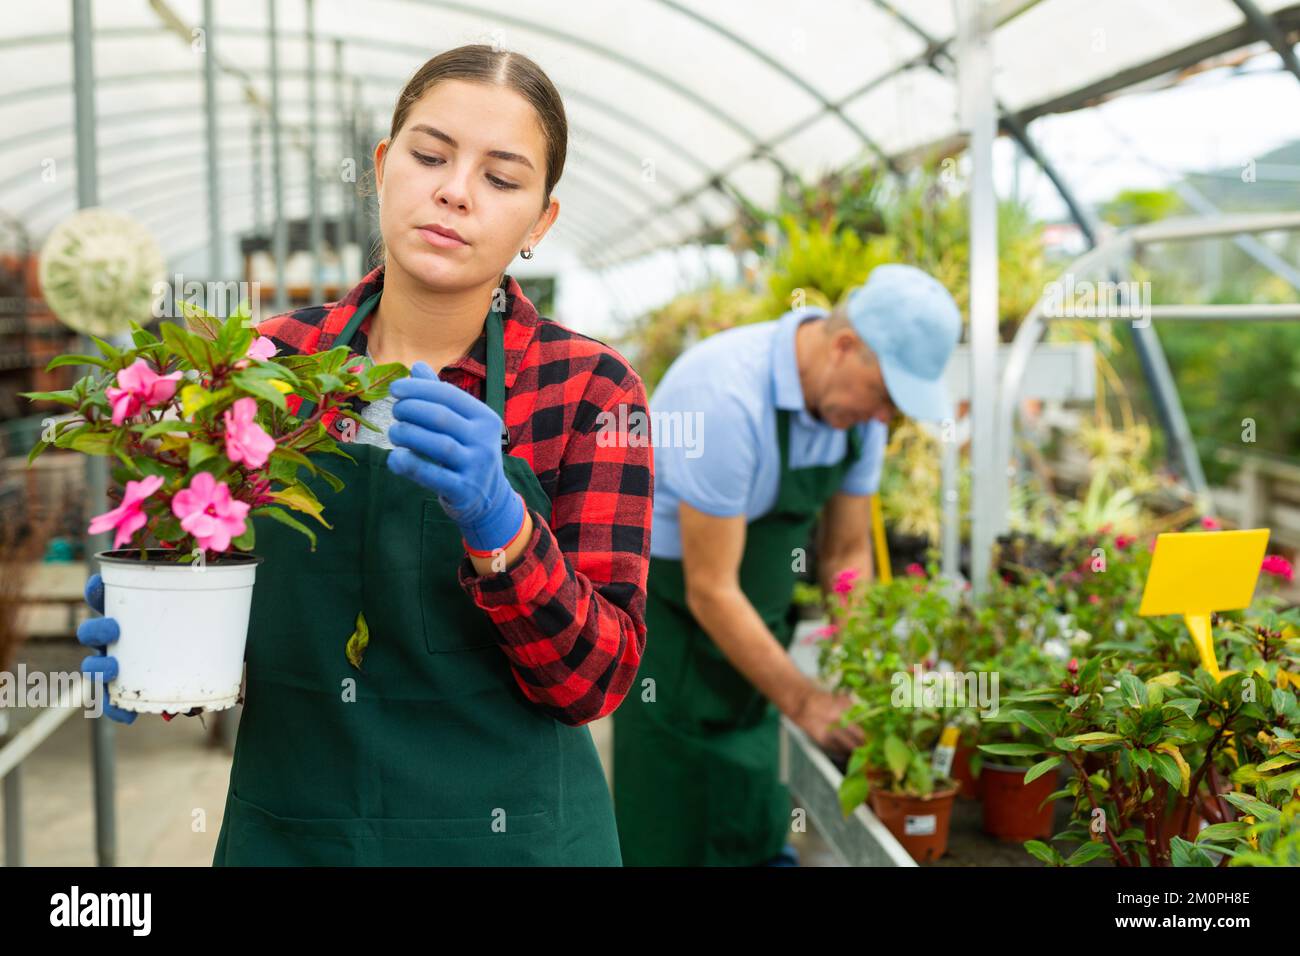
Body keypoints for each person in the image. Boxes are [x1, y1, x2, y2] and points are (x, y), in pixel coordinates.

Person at [77, 43, 653, 866]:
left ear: (541, 220)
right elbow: (236, 630)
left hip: (514, 843)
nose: (454, 191)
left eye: (501, 177)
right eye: (429, 155)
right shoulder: (263, 365)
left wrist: (506, 536)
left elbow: (593, 684)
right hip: (296, 835)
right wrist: (158, 644)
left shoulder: (591, 391)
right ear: (383, 167)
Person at [612, 264, 962, 866]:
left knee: (753, 822)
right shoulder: (724, 398)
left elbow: (846, 554)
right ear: (845, 346)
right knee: (670, 835)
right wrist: (805, 701)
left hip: (756, 653)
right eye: (885, 396)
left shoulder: (857, 419)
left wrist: (861, 664)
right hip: (674, 650)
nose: (885, 418)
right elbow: (711, 588)